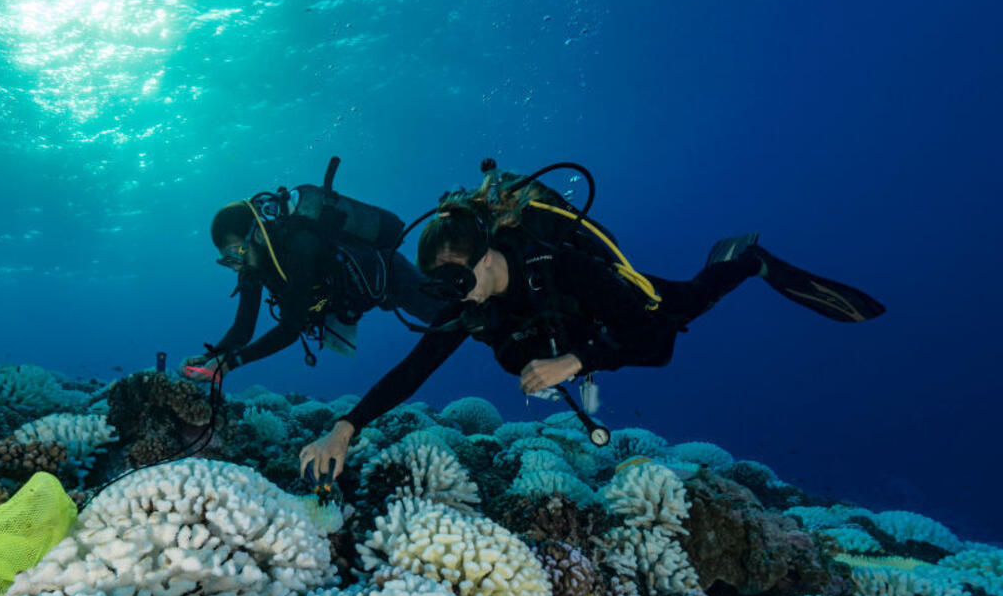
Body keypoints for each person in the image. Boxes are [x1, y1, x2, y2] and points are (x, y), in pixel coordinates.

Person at [299, 166, 885, 480]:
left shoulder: (554, 262)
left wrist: (576, 362)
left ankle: (746, 259)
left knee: (679, 312)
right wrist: (345, 428)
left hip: (608, 317)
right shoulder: (472, 303)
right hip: (570, 339)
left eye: (457, 281)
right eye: (439, 289)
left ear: (483, 255)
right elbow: (413, 369)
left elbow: (646, 334)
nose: (453, 299)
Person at [185, 162, 446, 379]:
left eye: (235, 251)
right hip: (354, 297)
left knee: (450, 314)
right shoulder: (253, 266)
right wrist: (211, 357)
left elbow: (290, 329)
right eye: (227, 259)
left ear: (256, 235)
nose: (235, 264)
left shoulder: (301, 246)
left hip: (392, 277)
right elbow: (243, 328)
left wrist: (229, 365)